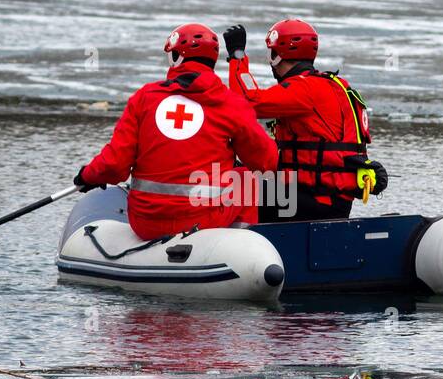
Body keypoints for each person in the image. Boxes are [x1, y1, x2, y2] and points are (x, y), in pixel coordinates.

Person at [74, 23, 278, 240]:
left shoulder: (145, 98)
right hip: (202, 221)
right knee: (246, 178)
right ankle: (239, 247)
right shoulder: (231, 104)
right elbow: (267, 162)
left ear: (176, 58)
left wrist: (87, 175)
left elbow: (114, 165)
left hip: (145, 223)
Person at [224, 18, 387, 222]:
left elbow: (247, 101)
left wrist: (237, 56)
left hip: (312, 201)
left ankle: (226, 243)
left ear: (276, 55)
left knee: (231, 183)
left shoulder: (305, 89)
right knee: (244, 171)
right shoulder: (336, 85)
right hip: (331, 201)